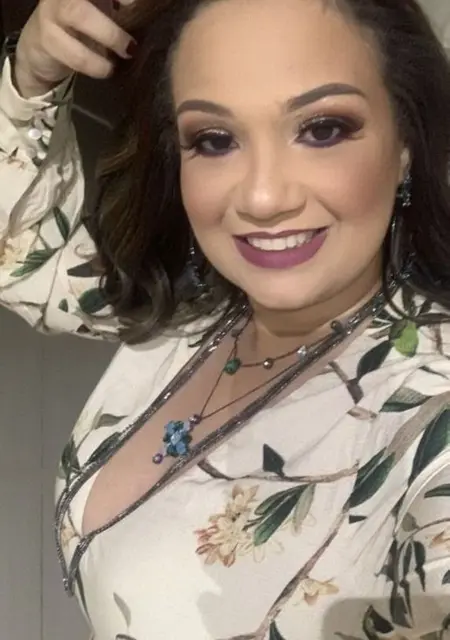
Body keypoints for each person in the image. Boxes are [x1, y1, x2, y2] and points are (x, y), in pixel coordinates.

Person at [1, 0, 450, 638]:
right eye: (214, 140)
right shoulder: (195, 316)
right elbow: (25, 261)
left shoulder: (428, 414)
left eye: (322, 129)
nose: (263, 197)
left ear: (405, 144)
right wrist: (32, 74)